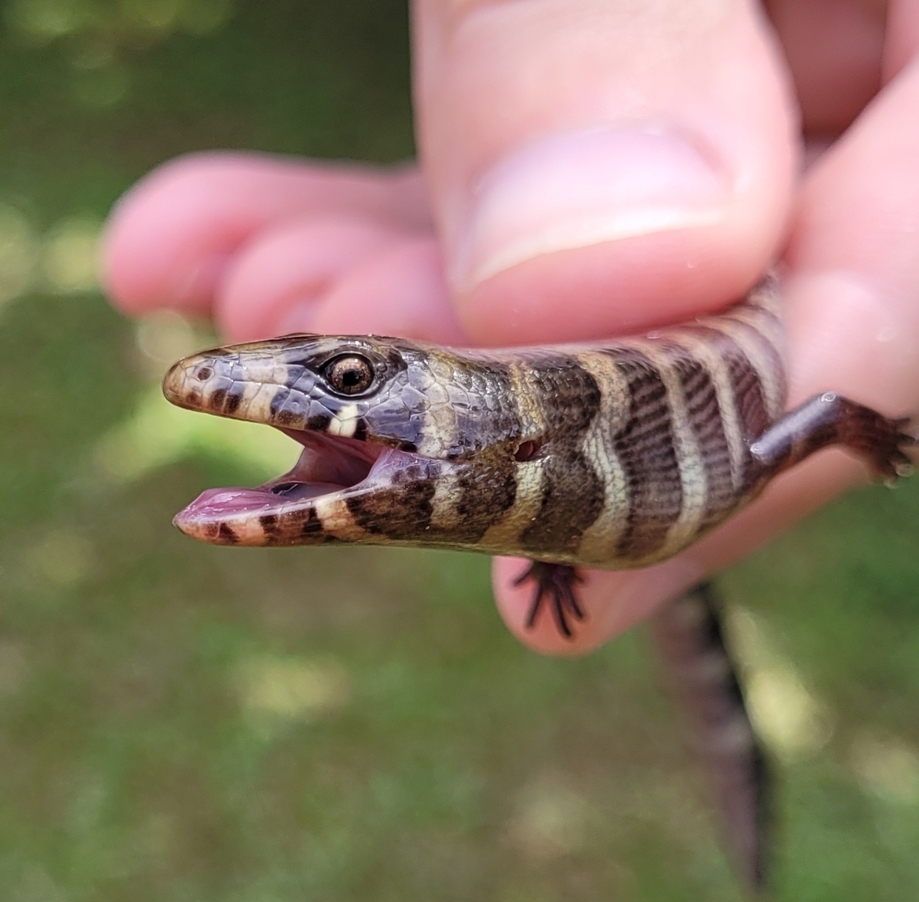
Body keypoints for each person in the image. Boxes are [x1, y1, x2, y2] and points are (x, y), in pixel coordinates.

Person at [102, 0, 919, 656]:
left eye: (352, 379)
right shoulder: (596, 483)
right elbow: (510, 475)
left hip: (746, 272)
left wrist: (878, 439)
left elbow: (819, 417)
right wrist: (560, 552)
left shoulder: (623, 470)